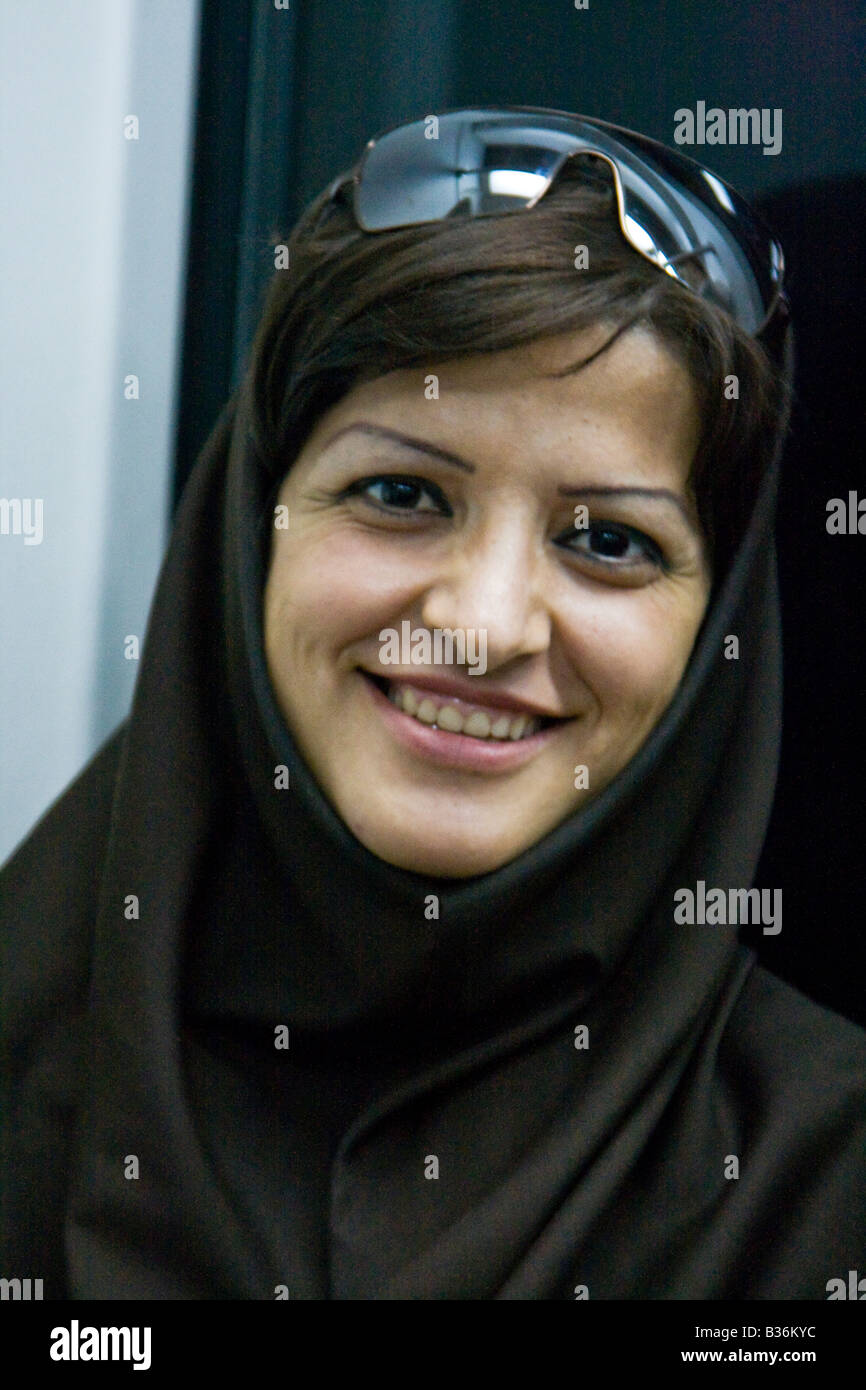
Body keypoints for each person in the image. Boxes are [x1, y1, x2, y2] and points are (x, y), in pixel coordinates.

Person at [2, 107, 864, 1301]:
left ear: (716, 624)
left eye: (608, 540)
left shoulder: (822, 1190)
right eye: (401, 492)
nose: (480, 625)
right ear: (253, 530)